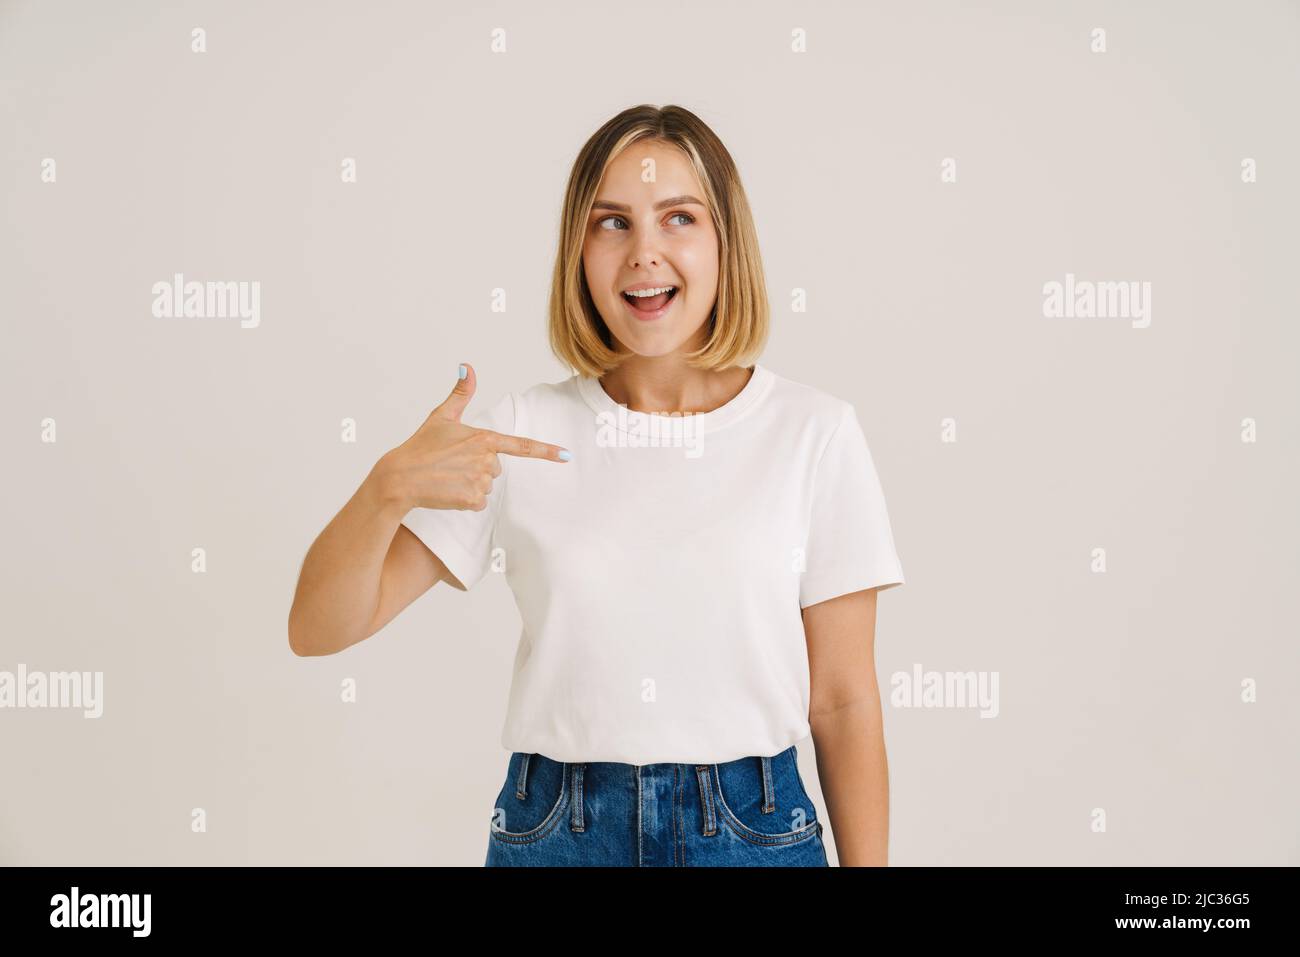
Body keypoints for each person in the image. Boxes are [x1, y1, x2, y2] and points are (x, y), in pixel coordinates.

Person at [288, 104, 905, 866]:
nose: (644, 252)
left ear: (726, 242)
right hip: (558, 832)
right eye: (612, 223)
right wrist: (386, 487)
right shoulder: (521, 432)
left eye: (678, 217)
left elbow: (842, 700)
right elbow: (317, 628)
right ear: (578, 250)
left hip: (756, 835)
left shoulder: (815, 433)